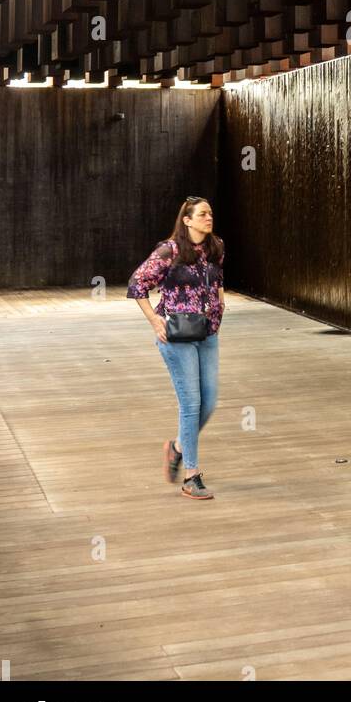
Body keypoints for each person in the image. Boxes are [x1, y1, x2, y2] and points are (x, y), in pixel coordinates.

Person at [127, 197, 225, 499]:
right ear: (187, 220)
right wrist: (155, 321)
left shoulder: (215, 247)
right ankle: (191, 475)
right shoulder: (169, 251)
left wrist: (220, 300)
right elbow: (137, 284)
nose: (209, 218)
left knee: (209, 402)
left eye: (211, 213)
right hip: (176, 335)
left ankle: (178, 446)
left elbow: (218, 278)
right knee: (191, 404)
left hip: (207, 333)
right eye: (203, 214)